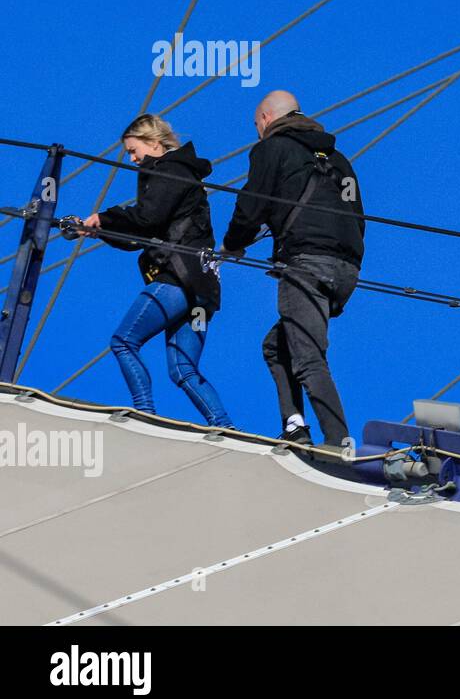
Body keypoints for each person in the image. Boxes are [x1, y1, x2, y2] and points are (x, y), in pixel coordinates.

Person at [219, 90, 364, 449]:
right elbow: (357, 215)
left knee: (307, 355)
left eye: (256, 125)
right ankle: (295, 426)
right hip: (346, 269)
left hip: (305, 263)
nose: (257, 132)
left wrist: (233, 243)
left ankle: (338, 442)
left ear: (266, 118)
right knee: (277, 346)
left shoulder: (272, 148)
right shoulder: (339, 160)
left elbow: (251, 205)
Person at [78, 114, 231, 427]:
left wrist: (104, 218)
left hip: (177, 279)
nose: (133, 159)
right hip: (202, 289)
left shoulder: (170, 170)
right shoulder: (183, 173)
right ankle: (224, 425)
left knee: (124, 341)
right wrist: (103, 230)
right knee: (183, 369)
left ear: (154, 143)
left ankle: (144, 413)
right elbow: (144, 235)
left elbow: (147, 218)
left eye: (134, 151)